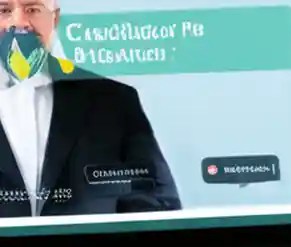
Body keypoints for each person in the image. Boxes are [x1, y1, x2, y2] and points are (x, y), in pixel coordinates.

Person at [0, 0, 180, 218]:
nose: (19, 23)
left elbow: (160, 204)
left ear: (54, 19)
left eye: (32, 9)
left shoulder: (115, 101)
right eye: (4, 10)